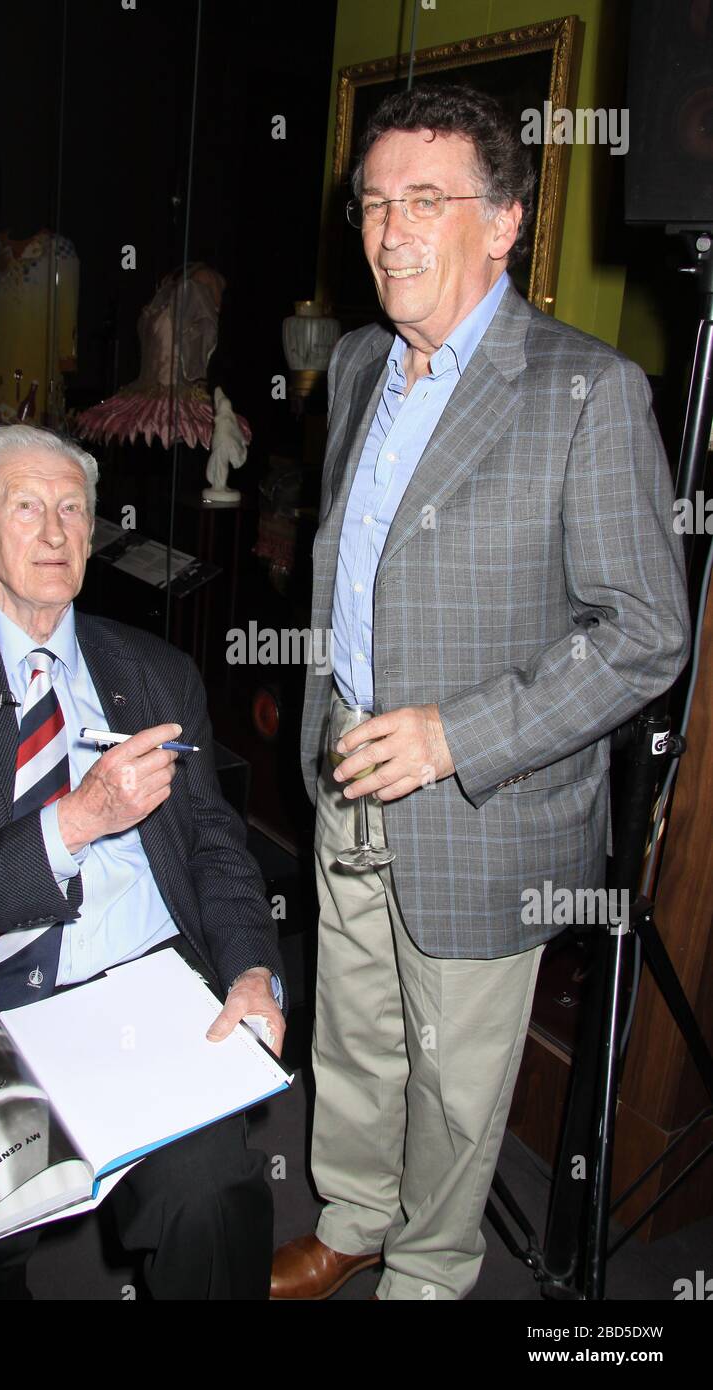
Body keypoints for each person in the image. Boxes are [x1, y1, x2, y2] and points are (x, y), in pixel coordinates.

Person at [272, 84, 690, 1301]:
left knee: (455, 1073)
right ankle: (349, 1213)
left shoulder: (587, 391)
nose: (388, 230)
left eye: (423, 200)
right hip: (346, 748)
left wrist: (457, 735)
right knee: (350, 1020)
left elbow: (647, 634)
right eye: (371, 203)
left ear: (501, 221)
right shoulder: (355, 364)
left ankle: (429, 1270)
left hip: (475, 796)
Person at [0, 422, 286, 1299]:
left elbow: (214, 848)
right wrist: (76, 821)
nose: (55, 532)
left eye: (73, 511)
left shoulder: (160, 674)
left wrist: (250, 970)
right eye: (27, 509)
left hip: (147, 994)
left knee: (217, 1200)